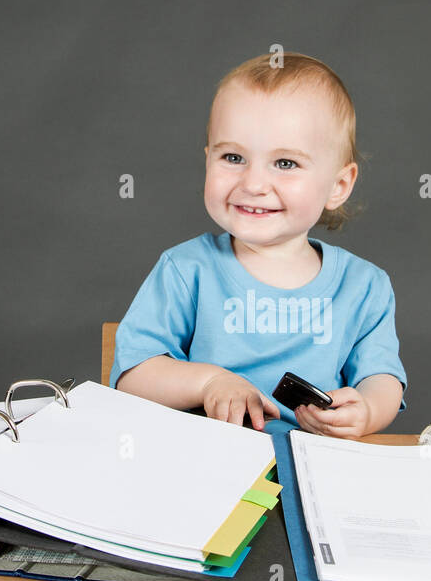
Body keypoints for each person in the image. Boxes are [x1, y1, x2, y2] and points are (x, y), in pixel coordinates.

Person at [111, 52, 406, 438]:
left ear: (338, 186)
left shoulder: (364, 286)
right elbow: (134, 375)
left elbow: (382, 377)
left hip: (313, 466)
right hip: (204, 464)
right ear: (208, 160)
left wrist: (366, 409)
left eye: (285, 163)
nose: (252, 184)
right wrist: (209, 383)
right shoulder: (186, 269)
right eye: (233, 157)